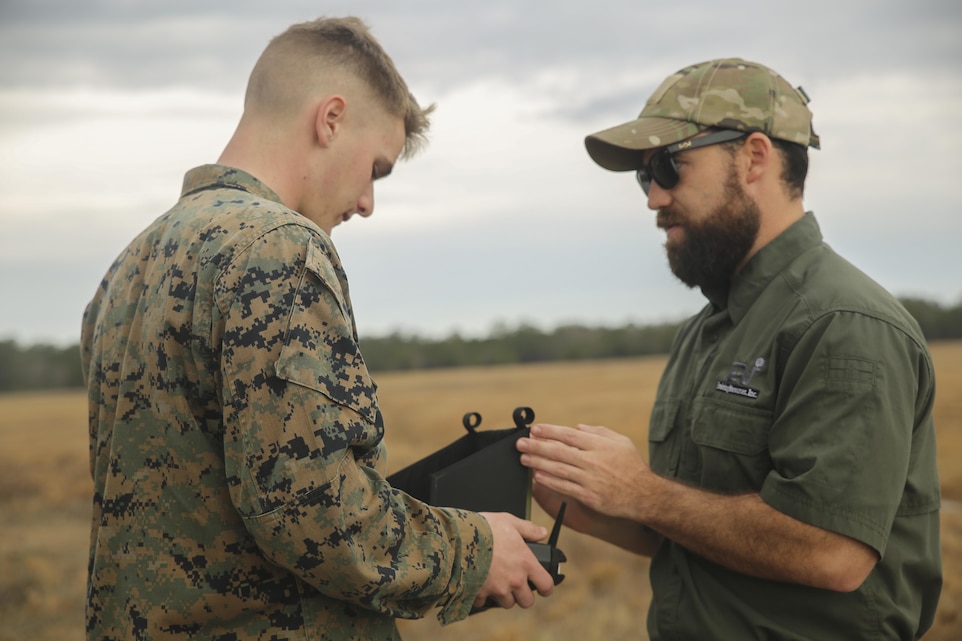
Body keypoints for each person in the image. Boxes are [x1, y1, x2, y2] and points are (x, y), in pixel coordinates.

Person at [81, 16, 554, 641]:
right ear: (330, 119)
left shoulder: (131, 264)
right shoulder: (278, 247)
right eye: (377, 169)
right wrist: (475, 549)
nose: (367, 203)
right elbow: (310, 508)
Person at [516, 58, 942, 640]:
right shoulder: (708, 329)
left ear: (754, 158)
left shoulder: (844, 324)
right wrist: (597, 504)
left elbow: (833, 553)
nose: (653, 198)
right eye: (645, 177)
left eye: (668, 166)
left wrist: (642, 492)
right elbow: (692, 521)